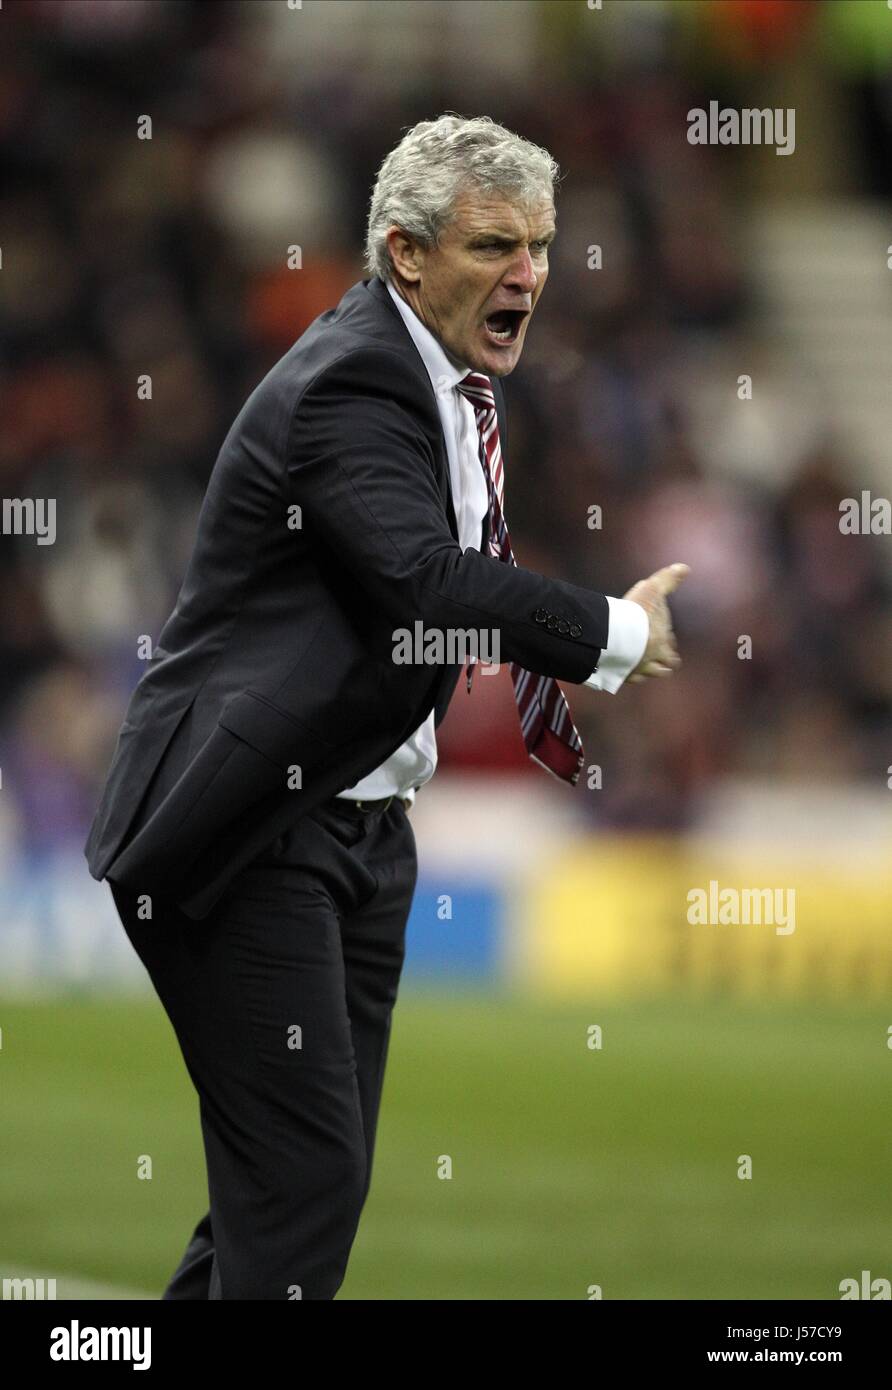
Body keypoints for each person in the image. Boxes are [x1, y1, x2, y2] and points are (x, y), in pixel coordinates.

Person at [85, 113, 688, 1299]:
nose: (527, 275)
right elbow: (425, 580)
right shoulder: (354, 380)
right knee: (303, 1187)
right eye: (494, 248)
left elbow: (412, 616)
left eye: (542, 247)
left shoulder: (441, 378)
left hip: (356, 829)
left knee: (300, 1192)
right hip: (248, 832)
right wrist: (610, 634)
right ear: (406, 255)